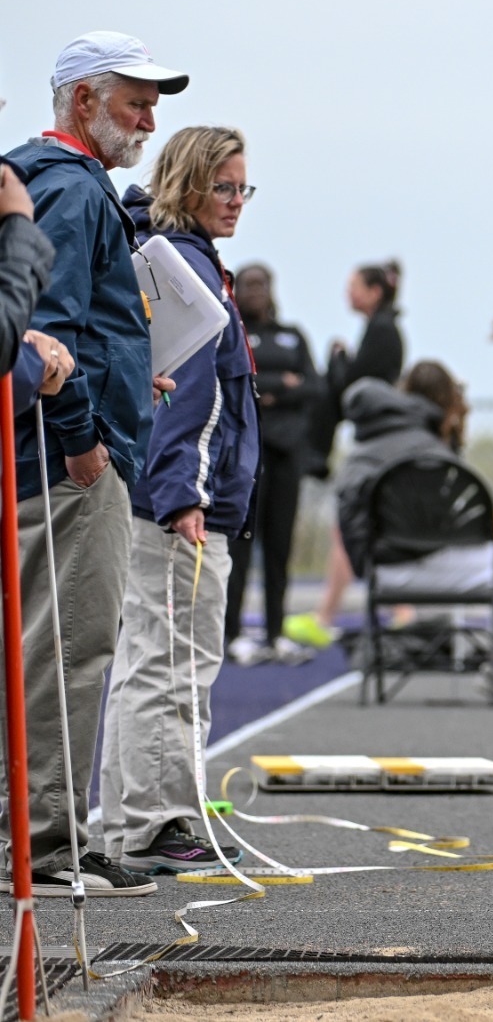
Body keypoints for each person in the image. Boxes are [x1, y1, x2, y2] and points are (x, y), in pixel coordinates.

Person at [6, 31, 186, 897]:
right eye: (134, 101)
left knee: (36, 645)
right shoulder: (76, 193)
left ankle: (33, 835)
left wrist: (126, 374)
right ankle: (46, 845)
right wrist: (85, 440)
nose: (149, 120)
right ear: (83, 101)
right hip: (65, 464)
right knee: (70, 652)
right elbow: (47, 341)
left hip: (33, 455)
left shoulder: (31, 181)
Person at [101, 126, 260, 875]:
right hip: (180, 504)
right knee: (170, 662)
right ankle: (153, 820)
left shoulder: (181, 257)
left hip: (174, 496)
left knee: (159, 659)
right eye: (223, 187)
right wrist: (184, 497)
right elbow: (190, 398)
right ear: (188, 183)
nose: (235, 202)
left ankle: (152, 813)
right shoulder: (183, 263)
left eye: (243, 188)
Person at [335, 362, 493, 707]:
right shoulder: (427, 447)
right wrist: (491, 528)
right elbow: (445, 527)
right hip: (417, 566)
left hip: (380, 573)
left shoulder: (364, 445)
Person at [287, 260, 405, 649]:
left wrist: (341, 364)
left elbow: (362, 386)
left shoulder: (384, 331)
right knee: (360, 526)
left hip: (376, 445)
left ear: (374, 291)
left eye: (354, 286)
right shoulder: (378, 328)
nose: (347, 294)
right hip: (372, 442)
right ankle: (388, 610)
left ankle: (332, 615)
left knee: (352, 524)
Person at [224, 264, 323, 664]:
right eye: (248, 285)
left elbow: (315, 386)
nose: (256, 291)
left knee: (280, 549)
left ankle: (275, 631)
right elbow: (237, 380)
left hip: (286, 456)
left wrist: (269, 386)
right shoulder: (233, 332)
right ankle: (232, 633)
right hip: (247, 456)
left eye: (262, 284)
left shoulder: (292, 335)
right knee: (241, 548)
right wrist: (285, 384)